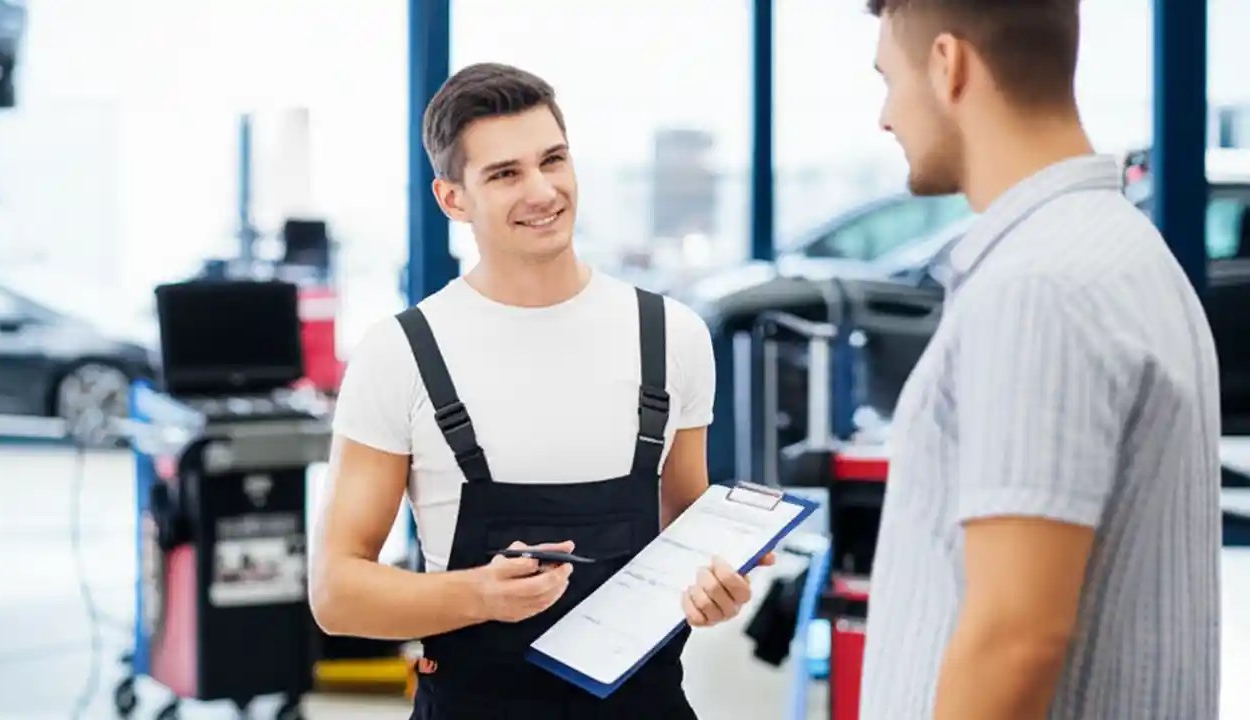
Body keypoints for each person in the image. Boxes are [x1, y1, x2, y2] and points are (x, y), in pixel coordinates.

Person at [308, 62, 771, 719]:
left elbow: (686, 539)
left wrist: (718, 584)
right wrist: (479, 596)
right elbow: (336, 593)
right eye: (505, 174)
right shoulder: (401, 354)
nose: (543, 191)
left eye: (553, 160)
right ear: (453, 199)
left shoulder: (672, 336)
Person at [859, 2, 1221, 719]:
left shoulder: (1038, 287)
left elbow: (1014, 640)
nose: (885, 117)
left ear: (948, 65)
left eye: (888, 81)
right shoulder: (1120, 250)